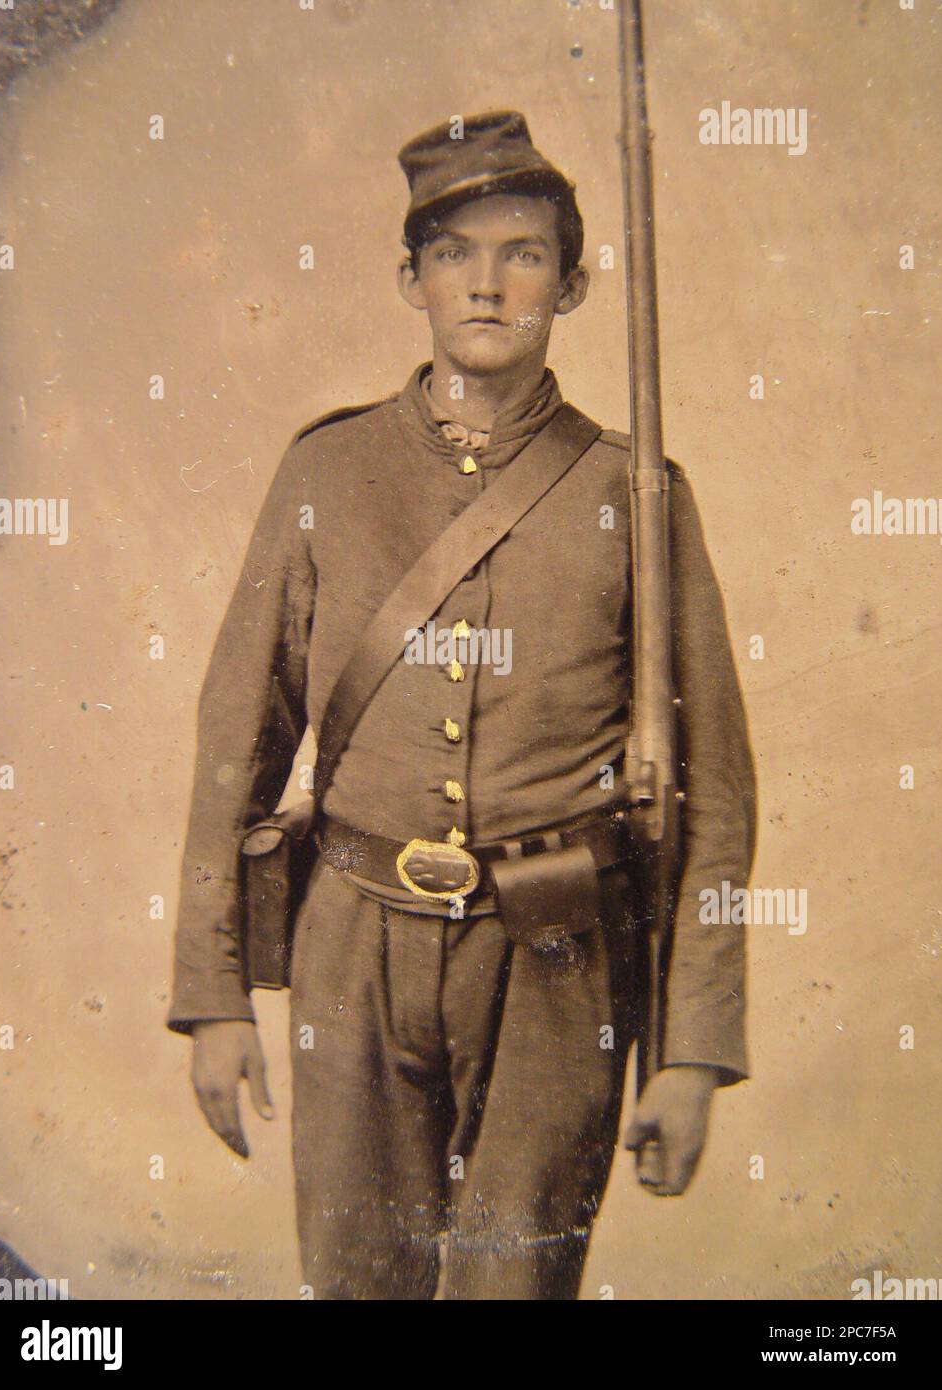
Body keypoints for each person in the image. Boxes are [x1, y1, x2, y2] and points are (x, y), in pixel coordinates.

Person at [167, 111, 756, 1300]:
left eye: (523, 254)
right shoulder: (326, 473)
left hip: (556, 966)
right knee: (357, 1283)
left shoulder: (635, 492)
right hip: (353, 945)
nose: (487, 284)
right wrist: (211, 994)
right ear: (413, 280)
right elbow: (238, 744)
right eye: (454, 254)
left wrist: (692, 1048)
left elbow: (718, 793)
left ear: (573, 286)